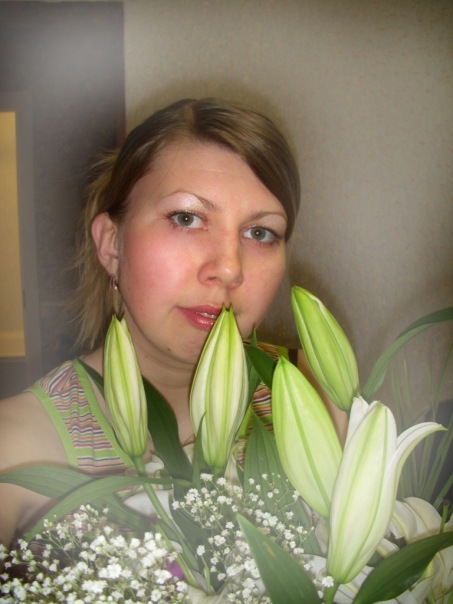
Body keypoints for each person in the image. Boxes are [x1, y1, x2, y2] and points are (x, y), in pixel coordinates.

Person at [0, 97, 347, 549]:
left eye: (260, 232)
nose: (229, 269)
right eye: (186, 218)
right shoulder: (16, 452)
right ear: (112, 245)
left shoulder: (318, 395)